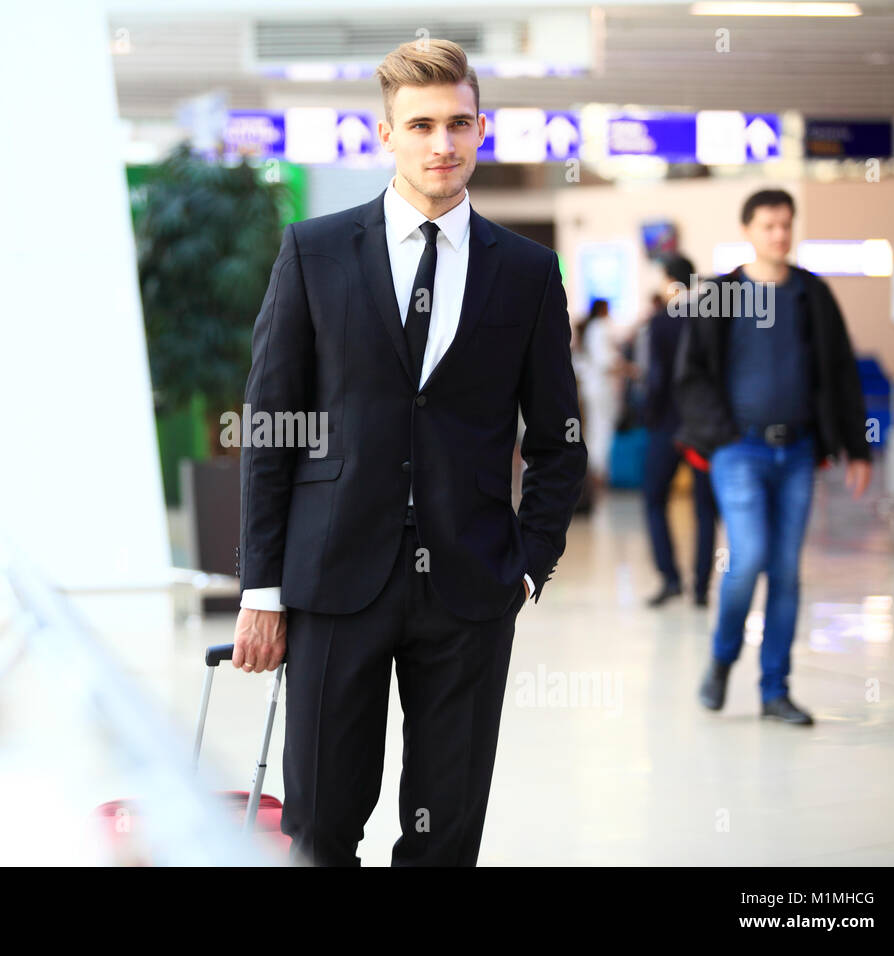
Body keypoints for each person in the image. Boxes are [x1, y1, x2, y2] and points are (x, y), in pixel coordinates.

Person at [233, 39, 587, 866]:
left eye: (458, 123)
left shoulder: (527, 273)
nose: (442, 144)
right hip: (332, 583)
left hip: (469, 589)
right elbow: (271, 425)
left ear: (481, 130)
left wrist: (528, 565)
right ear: (385, 135)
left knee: (446, 836)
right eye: (421, 125)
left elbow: (559, 439)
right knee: (319, 826)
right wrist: (262, 585)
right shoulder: (314, 252)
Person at [674, 188, 872, 726]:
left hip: (799, 452)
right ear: (748, 231)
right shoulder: (721, 294)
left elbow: (840, 374)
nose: (779, 235)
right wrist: (721, 437)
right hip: (741, 451)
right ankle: (721, 657)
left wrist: (857, 447)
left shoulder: (812, 294)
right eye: (769, 226)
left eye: (786, 225)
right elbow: (689, 376)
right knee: (750, 558)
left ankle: (775, 690)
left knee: (786, 572)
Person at [642, 254, 717, 607]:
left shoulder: (661, 321)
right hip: (705, 429)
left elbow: (656, 379)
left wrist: (652, 418)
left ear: (670, 279)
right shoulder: (711, 317)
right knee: (705, 509)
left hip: (667, 425)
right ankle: (701, 587)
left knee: (655, 499)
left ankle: (670, 578)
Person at [573, 299, 622, 486]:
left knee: (594, 427)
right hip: (601, 387)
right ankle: (598, 472)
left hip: (592, 386)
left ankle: (594, 470)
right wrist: (627, 369)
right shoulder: (601, 328)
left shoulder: (591, 329)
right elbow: (606, 362)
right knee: (602, 427)